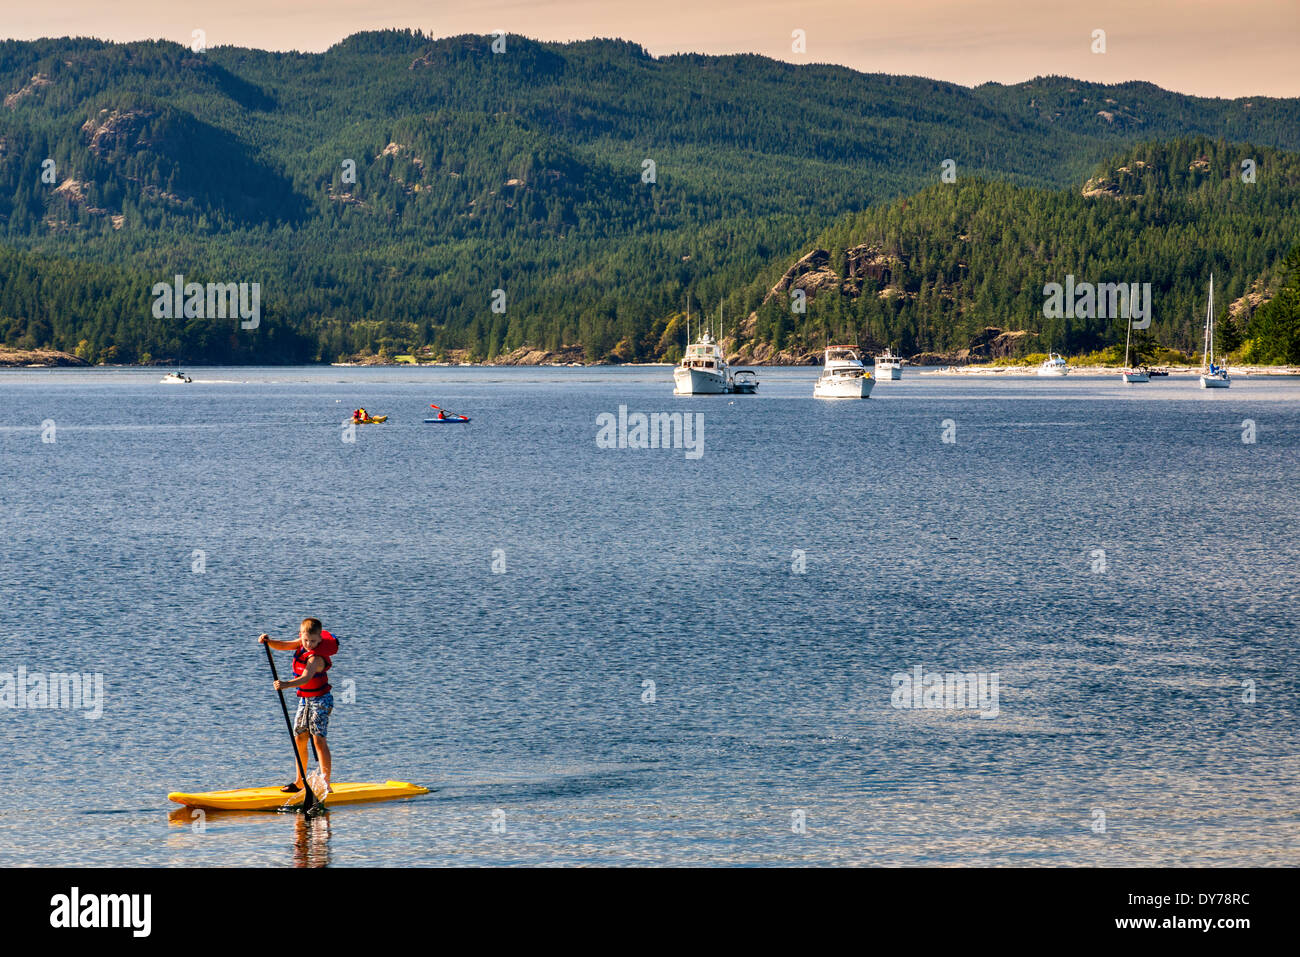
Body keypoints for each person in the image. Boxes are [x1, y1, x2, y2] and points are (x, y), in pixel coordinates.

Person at [259, 619, 338, 794]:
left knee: (318, 740)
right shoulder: (302, 643)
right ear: (301, 636)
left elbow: (306, 678)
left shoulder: (315, 658)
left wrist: (285, 684)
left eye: (313, 642)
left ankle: (326, 783)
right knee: (300, 738)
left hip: (320, 700)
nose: (309, 644)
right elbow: (284, 645)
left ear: (320, 640)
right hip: (305, 700)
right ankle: (300, 781)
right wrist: (269, 642)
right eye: (305, 640)